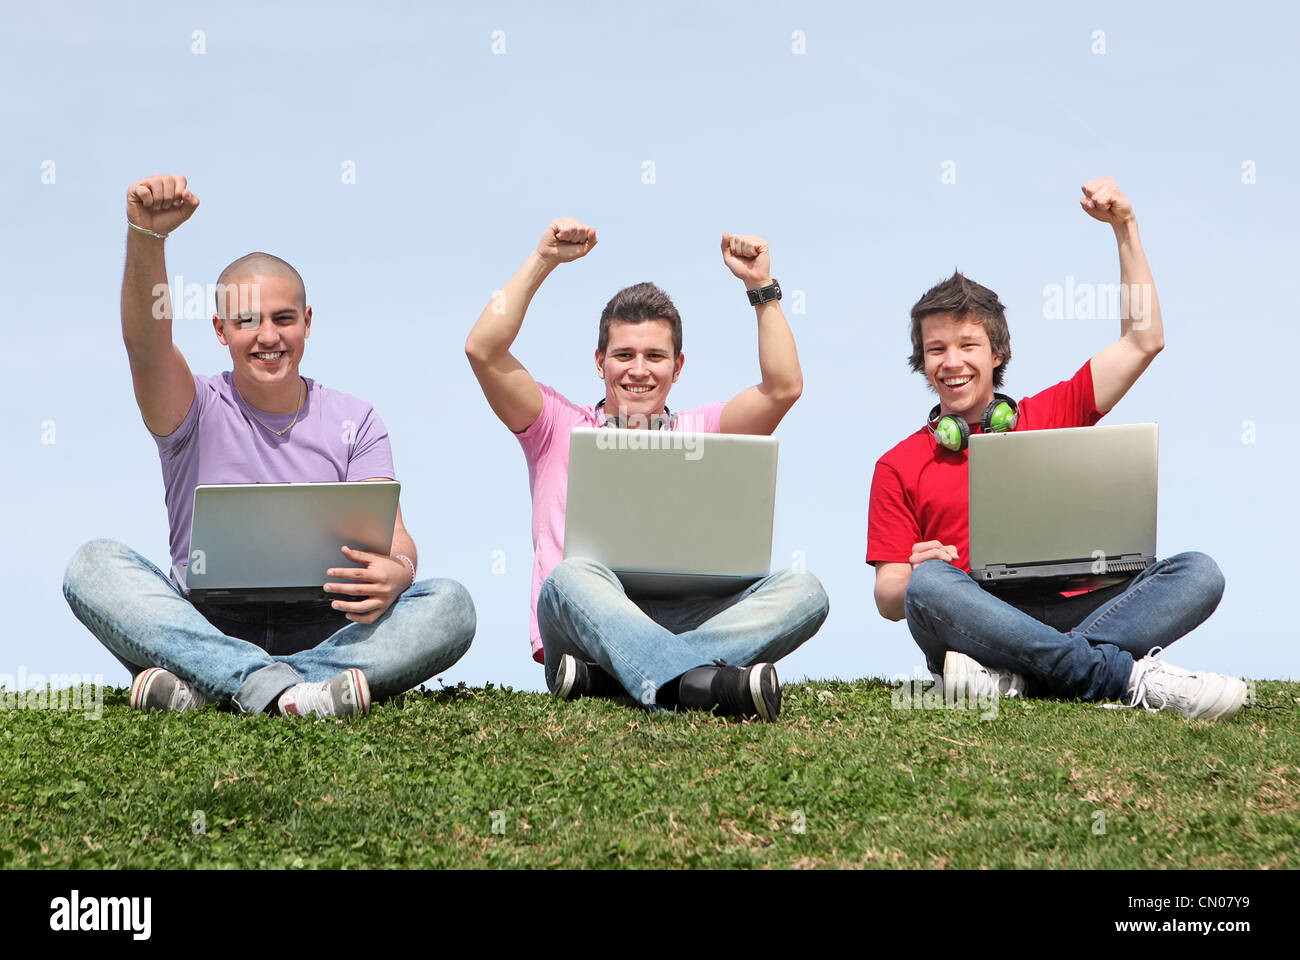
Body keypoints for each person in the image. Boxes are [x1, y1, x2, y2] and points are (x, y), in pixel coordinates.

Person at [63, 174, 476, 718]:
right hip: (206, 618)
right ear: (220, 329)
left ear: (307, 323)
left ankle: (216, 686)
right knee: (91, 566)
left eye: (284, 319)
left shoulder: (358, 418)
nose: (268, 336)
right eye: (247, 321)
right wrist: (147, 236)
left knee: (451, 605)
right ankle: (288, 693)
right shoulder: (195, 406)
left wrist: (399, 568)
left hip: (331, 624)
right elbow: (146, 343)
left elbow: (396, 539)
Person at [867, 177, 1246, 721]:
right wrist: (908, 567)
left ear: (997, 352)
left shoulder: (1053, 412)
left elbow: (1144, 340)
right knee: (928, 584)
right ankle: (1127, 676)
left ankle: (1022, 677)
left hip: (1077, 605)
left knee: (1199, 572)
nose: (952, 362)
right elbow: (887, 599)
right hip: (980, 618)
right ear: (922, 362)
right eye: (936, 350)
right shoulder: (898, 464)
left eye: (968, 345)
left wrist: (1125, 227)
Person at [466, 218, 828, 721]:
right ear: (600, 362)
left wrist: (760, 289)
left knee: (805, 592)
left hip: (682, 615)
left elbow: (782, 388)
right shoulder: (555, 425)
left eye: (655, 356)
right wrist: (544, 259)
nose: (639, 370)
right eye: (624, 355)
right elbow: (483, 350)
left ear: (678, 367)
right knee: (569, 576)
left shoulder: (705, 428)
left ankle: (627, 677)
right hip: (582, 622)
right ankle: (699, 678)